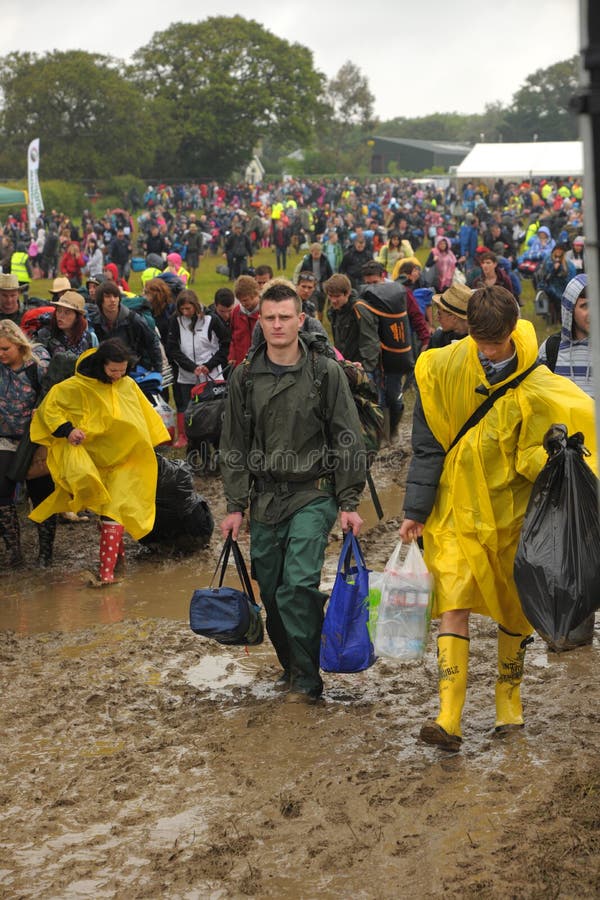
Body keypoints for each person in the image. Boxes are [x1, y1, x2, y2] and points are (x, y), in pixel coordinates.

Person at [399, 286, 596, 751]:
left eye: (497, 342)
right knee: (454, 599)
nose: (489, 352)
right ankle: (448, 717)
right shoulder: (442, 369)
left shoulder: (537, 382)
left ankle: (509, 703)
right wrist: (414, 510)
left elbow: (529, 459)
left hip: (512, 516)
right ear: (467, 328)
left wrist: (553, 452)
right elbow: (428, 444)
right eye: (481, 342)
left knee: (513, 608)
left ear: (513, 329)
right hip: (455, 510)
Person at [219, 278, 366, 703]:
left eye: (286, 317)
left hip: (313, 494)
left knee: (299, 585)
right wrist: (234, 505)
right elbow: (234, 445)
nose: (278, 325)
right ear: (258, 322)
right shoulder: (244, 377)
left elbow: (347, 437)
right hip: (266, 498)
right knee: (270, 586)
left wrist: (349, 502)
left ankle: (307, 681)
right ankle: (293, 666)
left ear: (301, 320)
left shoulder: (325, 373)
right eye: (270, 318)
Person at [30, 339, 170, 586]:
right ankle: (117, 563)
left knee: (115, 509)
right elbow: (50, 409)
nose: (118, 375)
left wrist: (153, 440)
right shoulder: (77, 386)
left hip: (126, 459)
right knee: (108, 510)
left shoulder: (127, 384)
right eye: (113, 370)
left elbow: (143, 414)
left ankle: (107, 574)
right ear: (100, 365)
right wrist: (68, 430)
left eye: (122, 370)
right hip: (94, 459)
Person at [0, 320, 54, 567]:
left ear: (19, 347)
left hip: (35, 440)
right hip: (6, 439)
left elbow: (57, 395)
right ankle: (14, 551)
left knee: (41, 494)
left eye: (5, 349)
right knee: (2, 492)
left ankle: (45, 554)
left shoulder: (38, 368)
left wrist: (41, 409)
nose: (0, 354)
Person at [166, 289, 230, 449]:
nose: (185, 312)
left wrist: (209, 365)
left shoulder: (211, 319)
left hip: (212, 376)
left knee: (214, 413)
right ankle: (195, 448)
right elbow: (172, 348)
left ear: (195, 306)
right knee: (190, 414)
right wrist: (191, 367)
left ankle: (218, 447)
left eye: (188, 308)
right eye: (182, 309)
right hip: (187, 376)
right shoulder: (176, 321)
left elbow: (226, 344)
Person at [88, 282, 163, 373]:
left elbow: (152, 341)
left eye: (115, 296)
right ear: (100, 300)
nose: (112, 300)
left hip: (132, 368)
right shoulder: (94, 321)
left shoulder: (133, 319)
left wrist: (158, 371)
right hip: (105, 369)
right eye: (107, 296)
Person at [37, 290, 98, 357]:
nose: (61, 316)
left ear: (77, 318)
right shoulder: (45, 335)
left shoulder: (89, 338)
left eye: (67, 312)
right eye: (59, 311)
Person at [228, 275, 260, 367]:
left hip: (260, 364)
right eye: (240, 301)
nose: (243, 304)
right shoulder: (236, 312)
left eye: (246, 300)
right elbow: (233, 337)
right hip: (241, 364)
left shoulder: (266, 311)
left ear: (255, 294)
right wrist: (232, 356)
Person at [428, 283, 471, 349]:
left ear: (454, 318)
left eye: (439, 314)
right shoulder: (438, 339)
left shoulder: (478, 343)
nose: (437, 318)